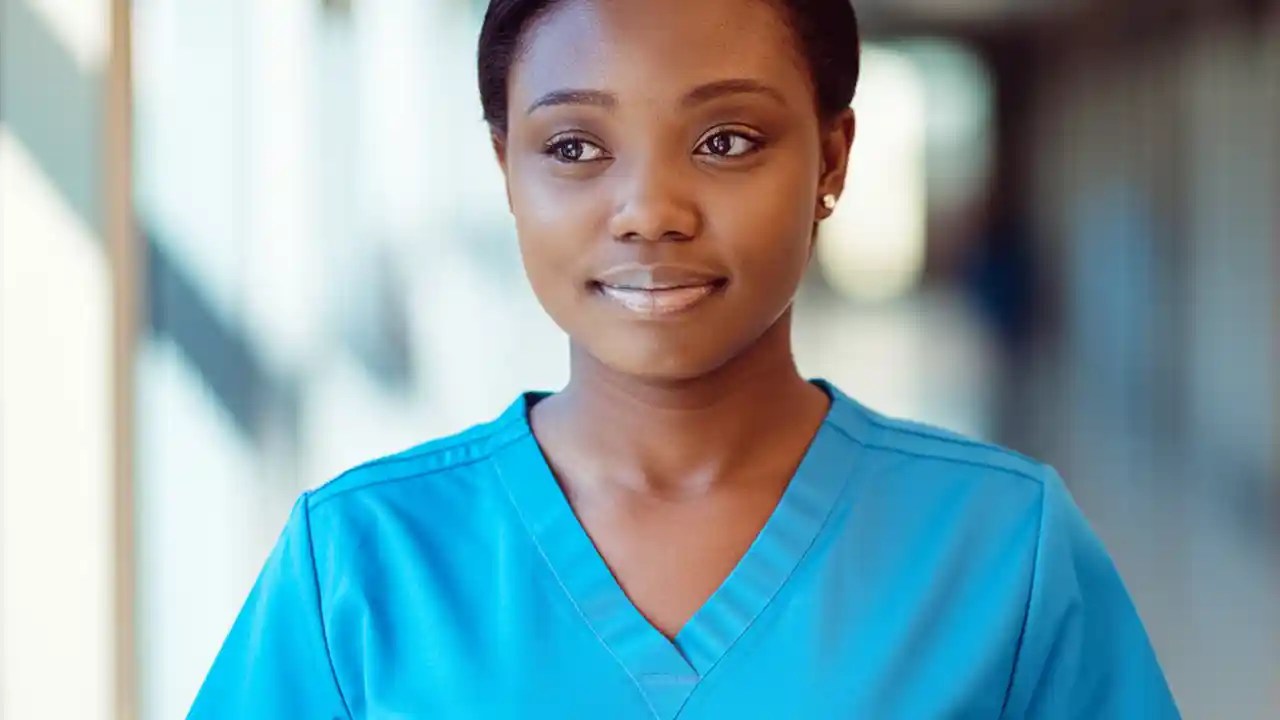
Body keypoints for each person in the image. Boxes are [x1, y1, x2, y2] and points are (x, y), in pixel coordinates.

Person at [188, 0, 1180, 717]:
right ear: (502, 168)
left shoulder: (1002, 550)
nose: (650, 213)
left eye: (725, 139)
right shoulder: (359, 564)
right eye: (573, 148)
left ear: (831, 161)